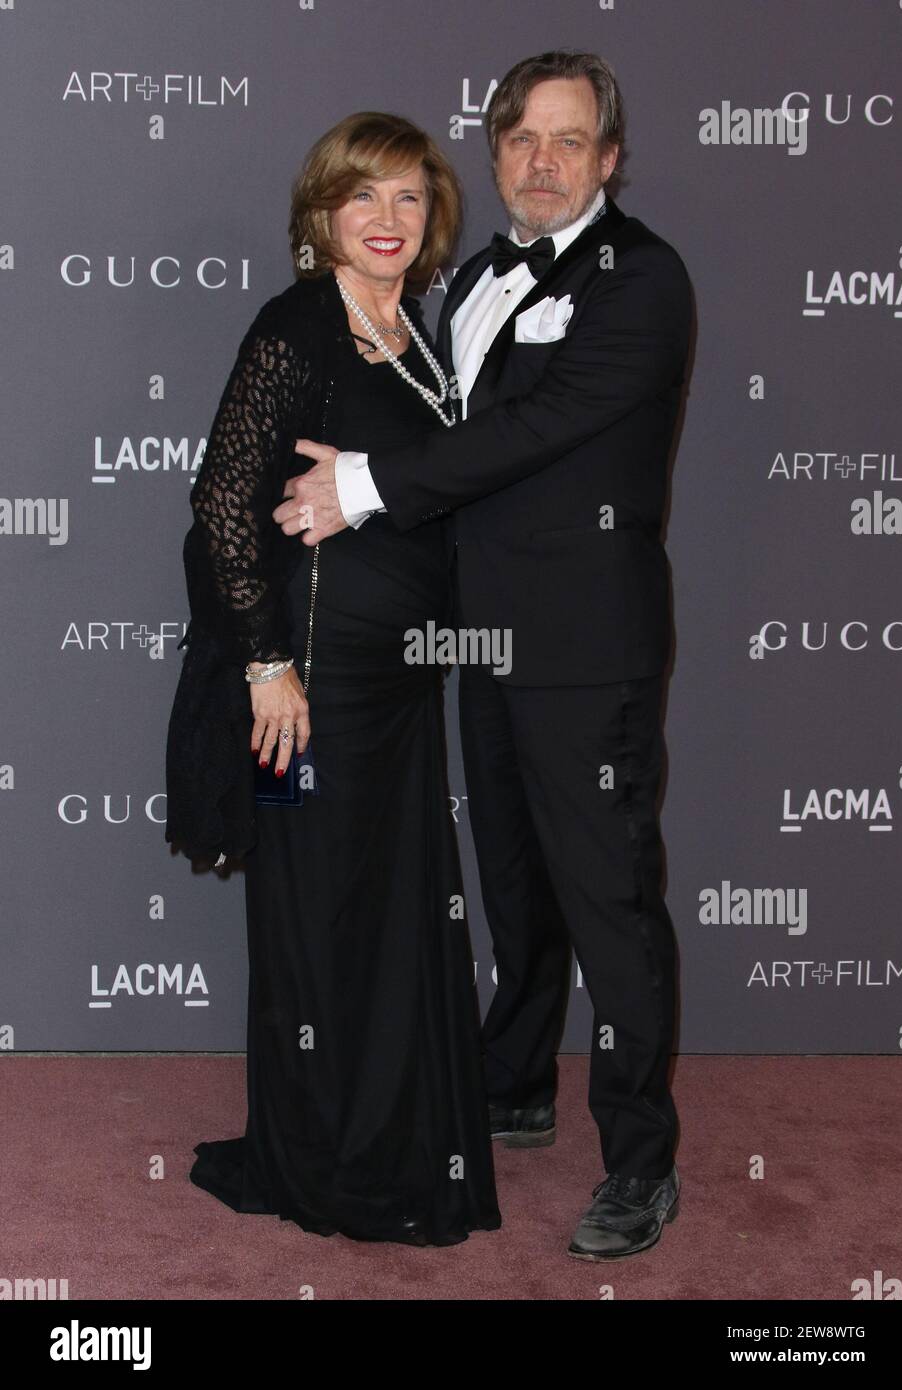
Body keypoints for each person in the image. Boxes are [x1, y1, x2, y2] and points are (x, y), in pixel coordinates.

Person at [275, 52, 693, 1260]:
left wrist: (362, 486)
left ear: (609, 159)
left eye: (571, 141)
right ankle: (515, 1077)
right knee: (512, 882)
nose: (545, 160)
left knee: (607, 901)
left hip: (588, 649)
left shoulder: (644, 281)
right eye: (522, 138)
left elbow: (533, 431)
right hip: (478, 637)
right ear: (497, 152)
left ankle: (641, 1160)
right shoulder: (466, 286)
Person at [165, 111, 501, 1247]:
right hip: (301, 697)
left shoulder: (420, 335)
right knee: (313, 916)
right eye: (365, 197)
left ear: (433, 215)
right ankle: (323, 1156)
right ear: (323, 216)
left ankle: (398, 1133)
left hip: (401, 691)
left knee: (388, 914)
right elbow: (221, 507)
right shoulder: (301, 323)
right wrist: (268, 668)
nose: (388, 219)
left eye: (409, 196)